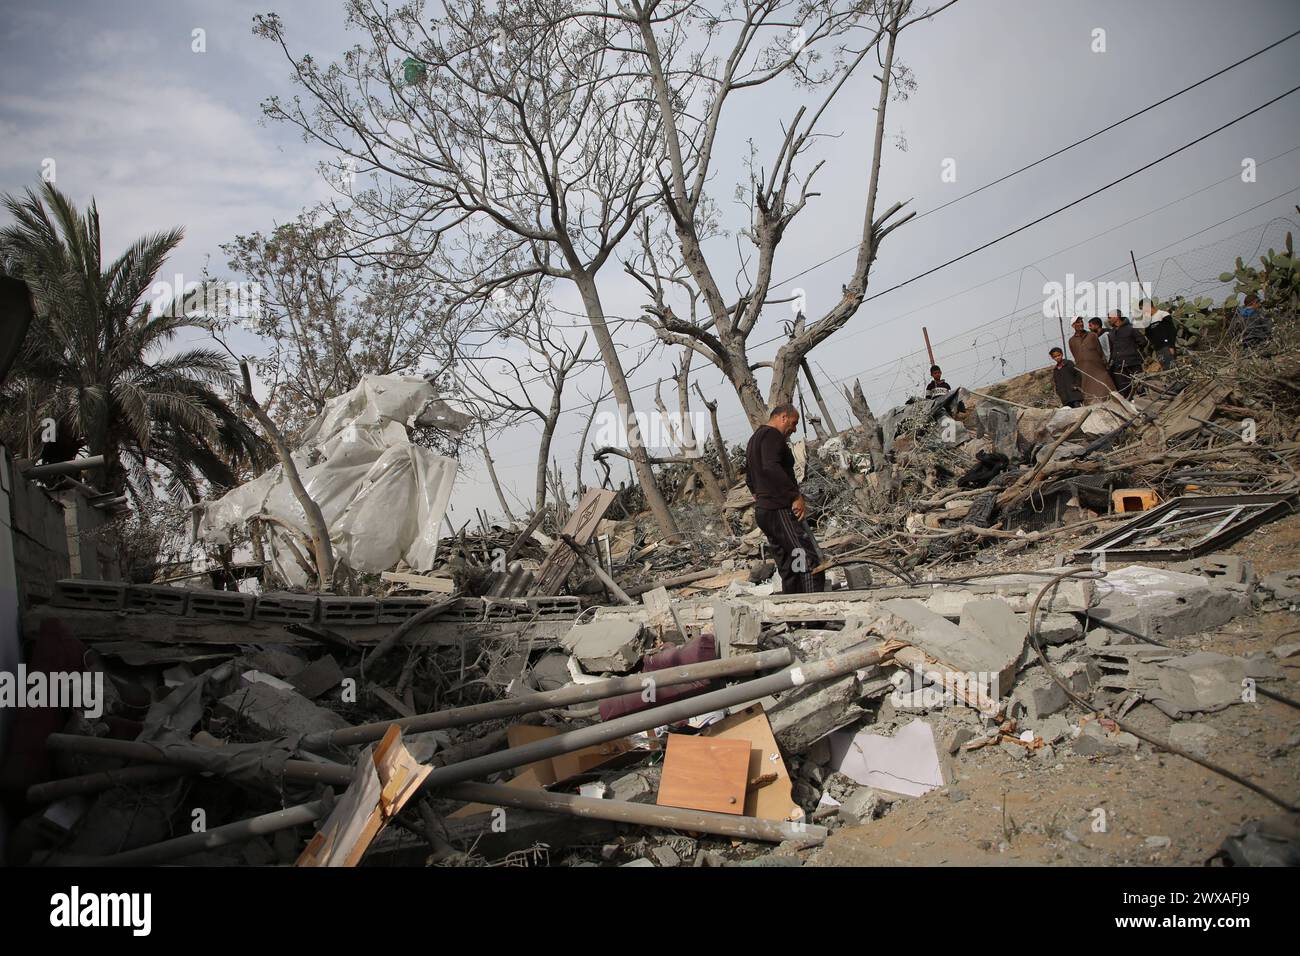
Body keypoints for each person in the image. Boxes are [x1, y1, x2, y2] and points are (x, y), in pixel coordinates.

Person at [745, 403, 825, 594]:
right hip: (779, 509)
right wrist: (794, 496)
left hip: (764, 511)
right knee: (804, 557)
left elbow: (749, 478)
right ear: (782, 417)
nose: (794, 429)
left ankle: (793, 614)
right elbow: (771, 467)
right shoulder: (773, 436)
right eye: (794, 422)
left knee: (788, 564)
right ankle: (815, 613)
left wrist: (762, 496)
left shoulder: (754, 440)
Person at [1068, 316, 1116, 403]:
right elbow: (1075, 355)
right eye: (1077, 322)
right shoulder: (1071, 341)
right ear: (1073, 325)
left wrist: (1104, 365)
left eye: (1081, 321)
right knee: (1089, 394)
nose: (1080, 324)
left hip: (1098, 368)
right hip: (1084, 371)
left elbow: (1100, 352)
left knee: (1106, 388)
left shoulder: (1092, 335)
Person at [1106, 309, 1146, 398]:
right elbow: (1112, 349)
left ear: (1117, 317)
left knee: (1140, 387)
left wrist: (1132, 352)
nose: (1108, 320)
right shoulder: (1111, 333)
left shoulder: (1131, 328)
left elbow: (1142, 341)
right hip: (1119, 366)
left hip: (1133, 363)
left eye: (1110, 317)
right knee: (1124, 391)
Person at [1138, 298, 1177, 369]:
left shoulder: (1163, 314)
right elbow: (1148, 334)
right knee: (1165, 369)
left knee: (1172, 368)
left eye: (1142, 309)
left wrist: (1171, 346)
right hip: (1158, 349)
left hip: (1167, 347)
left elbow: (1171, 331)